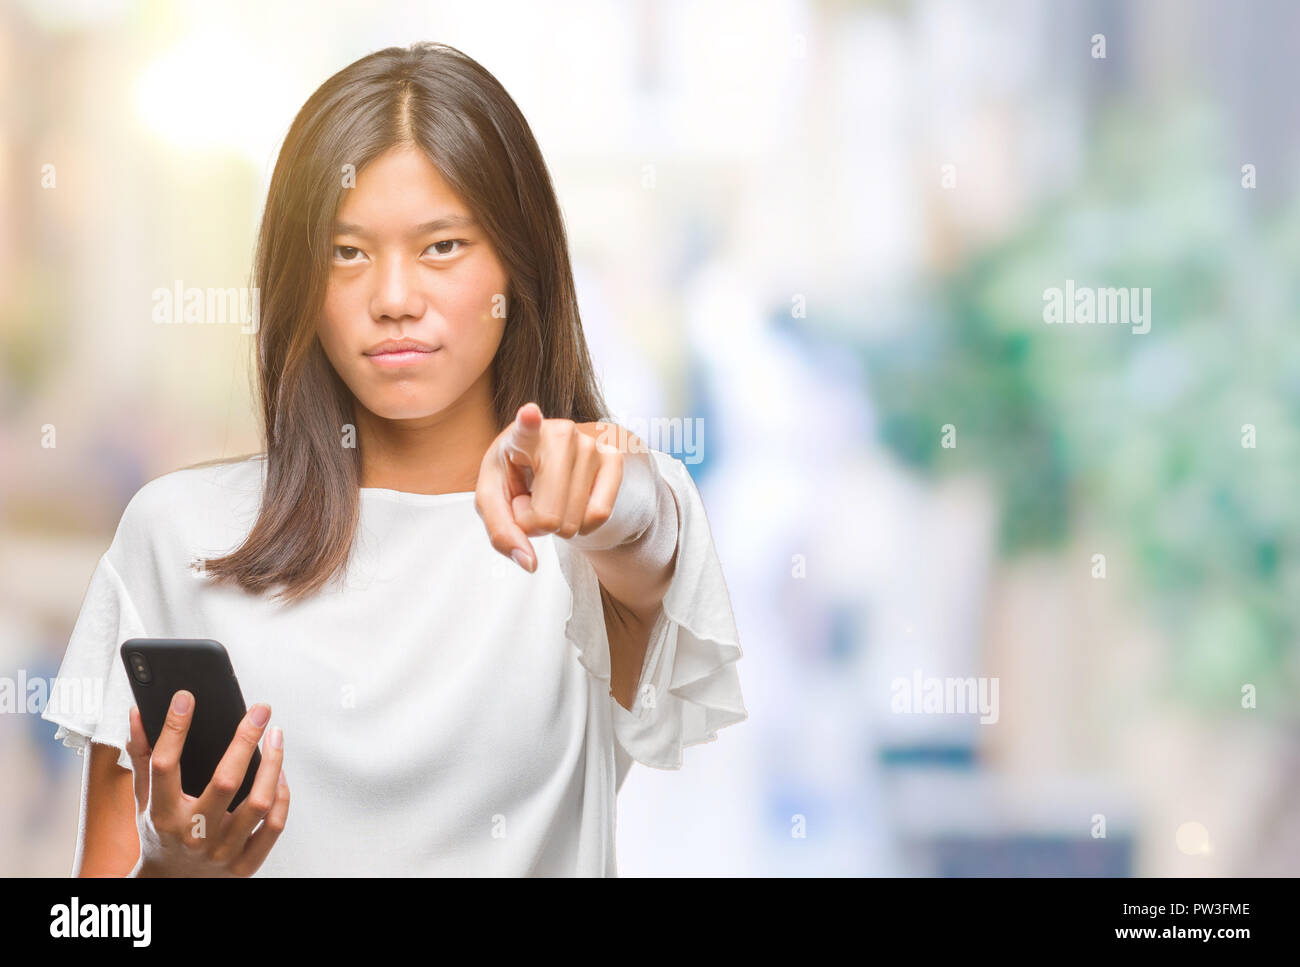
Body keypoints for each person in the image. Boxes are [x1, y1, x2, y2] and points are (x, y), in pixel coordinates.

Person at [39, 41, 746, 877]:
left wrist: (611, 481)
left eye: (442, 246)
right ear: (301, 279)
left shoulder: (587, 533)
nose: (395, 298)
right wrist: (171, 872)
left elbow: (642, 530)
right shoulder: (175, 533)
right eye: (348, 252)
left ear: (517, 267)